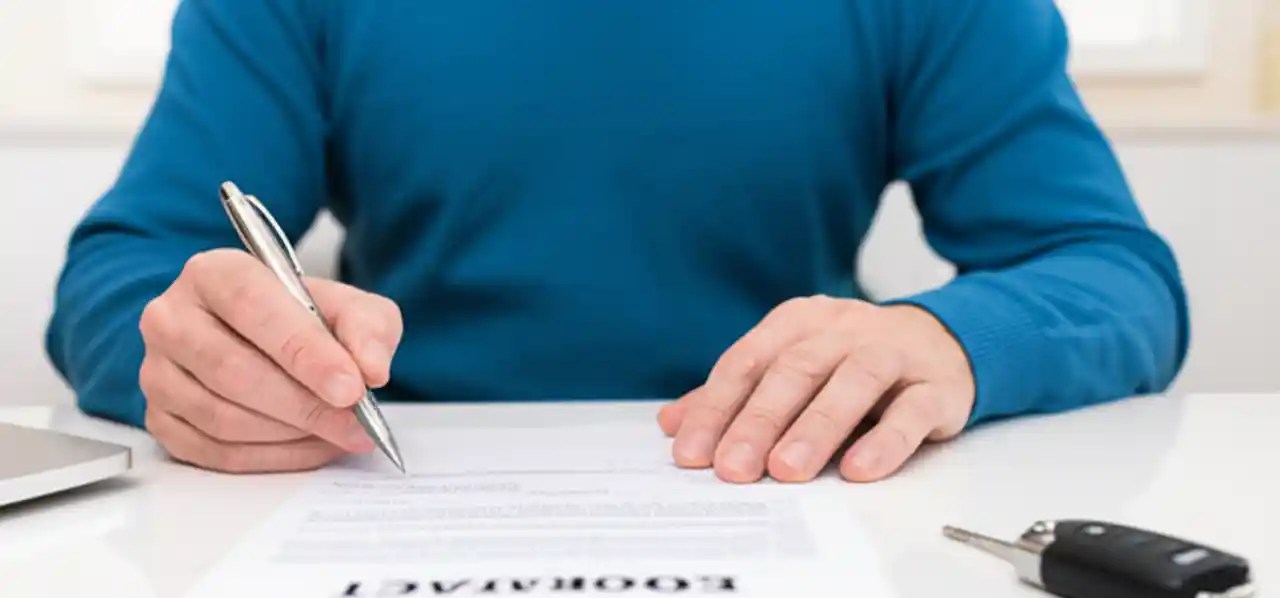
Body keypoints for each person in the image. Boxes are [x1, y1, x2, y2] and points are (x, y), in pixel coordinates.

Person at [46, 0, 1188, 484]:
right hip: (388, 493)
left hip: (794, 487)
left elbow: (1112, 269)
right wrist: (187, 354)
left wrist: (952, 340)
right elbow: (127, 268)